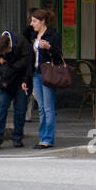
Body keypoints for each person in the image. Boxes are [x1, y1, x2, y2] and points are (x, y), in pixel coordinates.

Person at [25, 8, 64, 149]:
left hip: (47, 73)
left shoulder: (52, 35)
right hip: (36, 73)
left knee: (48, 108)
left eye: (34, 21)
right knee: (41, 108)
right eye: (31, 20)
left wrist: (48, 47)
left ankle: (47, 139)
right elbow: (30, 57)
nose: (32, 23)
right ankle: (42, 137)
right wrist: (26, 78)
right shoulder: (33, 34)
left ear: (42, 22)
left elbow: (59, 55)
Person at [0, 29, 32, 150]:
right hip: (4, 80)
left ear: (9, 45)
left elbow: (28, 62)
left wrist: (25, 81)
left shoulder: (21, 41)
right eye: (2, 53)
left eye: (6, 51)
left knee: (20, 110)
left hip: (19, 79)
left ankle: (17, 137)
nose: (5, 54)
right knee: (1, 109)